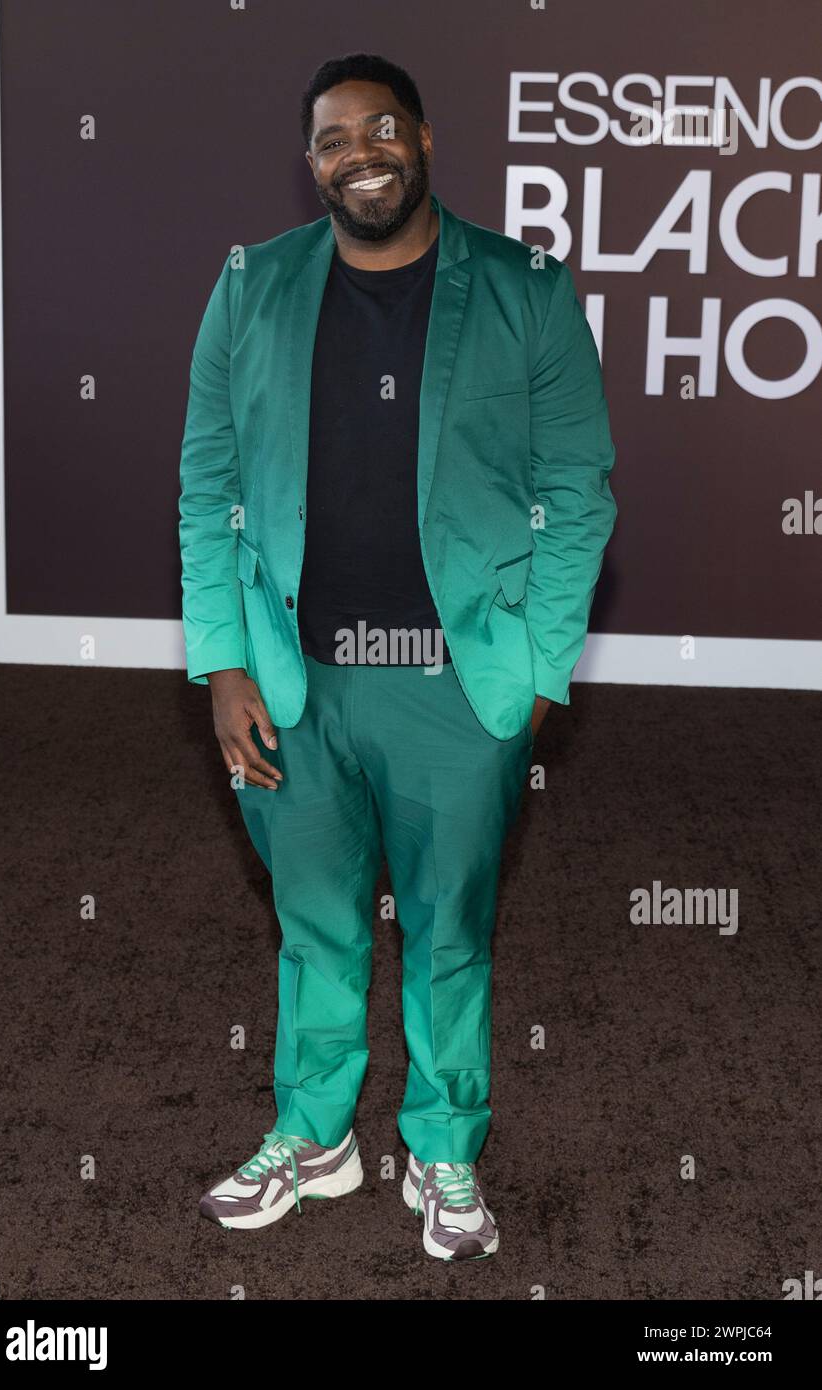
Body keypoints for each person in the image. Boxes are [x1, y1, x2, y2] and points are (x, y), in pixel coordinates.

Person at [179, 52, 617, 1261]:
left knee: (446, 930)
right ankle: (315, 1141)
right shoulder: (251, 285)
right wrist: (220, 662)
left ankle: (442, 1150)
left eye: (379, 129)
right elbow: (206, 481)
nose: (356, 153)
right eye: (330, 138)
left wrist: (535, 673)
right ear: (309, 160)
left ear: (421, 141)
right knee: (314, 924)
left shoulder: (524, 288)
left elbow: (576, 488)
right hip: (286, 678)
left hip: (455, 684)